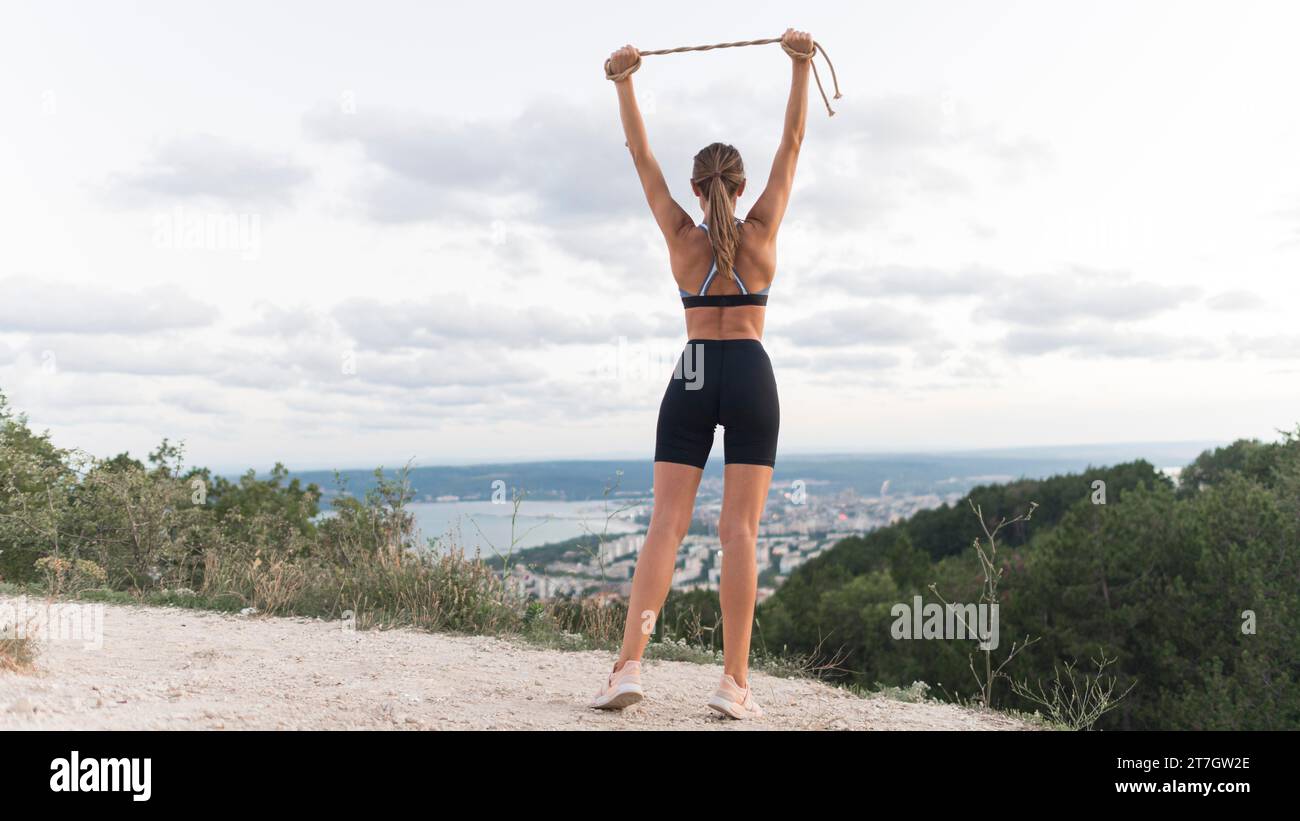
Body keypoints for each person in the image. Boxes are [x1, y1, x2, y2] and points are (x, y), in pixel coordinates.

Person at [591, 28, 813, 720]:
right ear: (740, 187)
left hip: (692, 369)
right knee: (738, 532)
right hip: (749, 367)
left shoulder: (681, 238)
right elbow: (794, 145)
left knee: (666, 525)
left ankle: (628, 666)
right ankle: (732, 683)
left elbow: (640, 157)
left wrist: (624, 81)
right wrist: (801, 66)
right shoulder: (764, 229)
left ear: (697, 187)